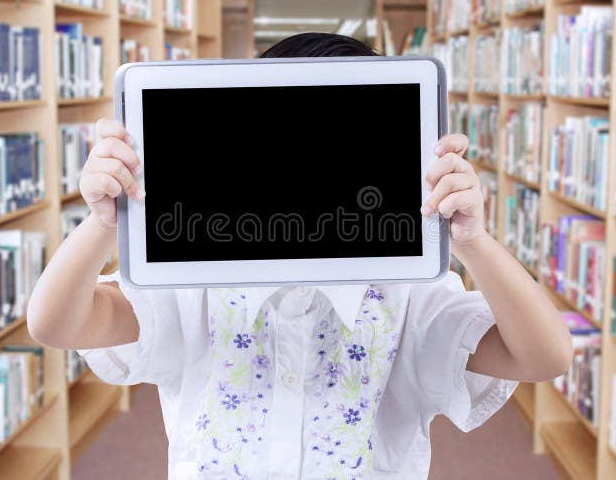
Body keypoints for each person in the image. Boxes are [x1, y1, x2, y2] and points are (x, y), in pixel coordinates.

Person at [28, 33, 572, 479]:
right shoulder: (191, 283)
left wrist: (472, 240)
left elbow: (544, 356)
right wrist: (105, 224)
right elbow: (56, 323)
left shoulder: (410, 294)